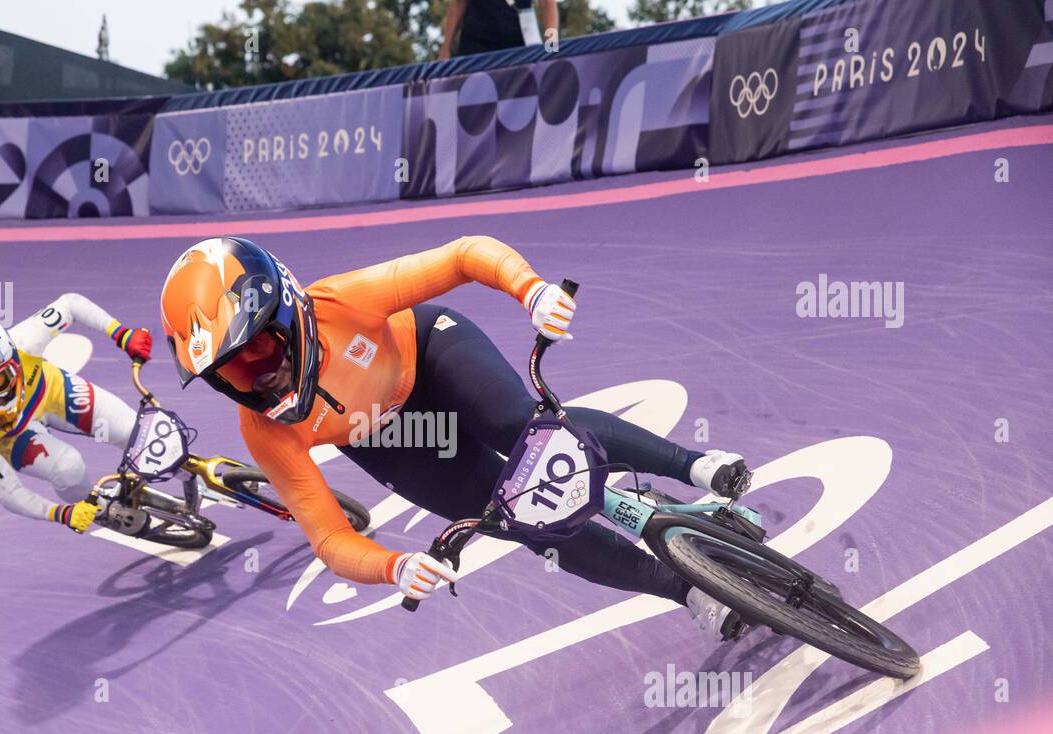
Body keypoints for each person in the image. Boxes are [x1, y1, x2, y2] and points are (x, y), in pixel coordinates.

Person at [159, 236, 752, 637]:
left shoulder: (341, 300)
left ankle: (696, 466)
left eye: (259, 346)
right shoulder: (263, 428)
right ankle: (684, 591)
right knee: (522, 518)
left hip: (433, 353)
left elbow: (465, 255)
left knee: (524, 429)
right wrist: (392, 567)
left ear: (289, 309)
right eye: (233, 371)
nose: (260, 375)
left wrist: (531, 289)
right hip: (382, 436)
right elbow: (330, 539)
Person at [0, 295, 152, 534]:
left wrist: (120, 333)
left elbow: (70, 304)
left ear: (12, 359)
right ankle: (103, 511)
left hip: (52, 394)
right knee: (67, 468)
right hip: (15, 438)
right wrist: (63, 514)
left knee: (136, 433)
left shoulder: (24, 340)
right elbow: (8, 491)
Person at [440, 0, 559, 59]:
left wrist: (552, 45)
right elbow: (459, 3)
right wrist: (445, 48)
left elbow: (547, 4)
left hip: (519, 50)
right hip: (475, 49)